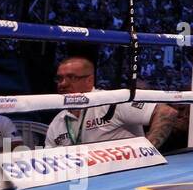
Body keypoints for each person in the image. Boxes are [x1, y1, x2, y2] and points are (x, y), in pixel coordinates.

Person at [44, 56, 178, 150]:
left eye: (71, 77)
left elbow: (166, 112)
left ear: (89, 80)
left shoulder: (111, 102)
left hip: (126, 176)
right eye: (59, 79)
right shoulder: (58, 122)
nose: (63, 84)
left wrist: (147, 151)